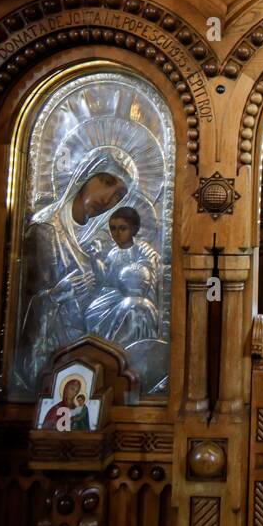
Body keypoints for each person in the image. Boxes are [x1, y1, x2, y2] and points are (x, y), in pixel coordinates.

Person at [13, 155, 129, 399]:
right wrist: (60, 293)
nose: (108, 199)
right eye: (106, 182)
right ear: (83, 175)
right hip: (53, 352)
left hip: (86, 350)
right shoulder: (46, 229)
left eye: (119, 195)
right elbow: (23, 304)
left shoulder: (93, 239)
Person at [84, 206, 162, 386]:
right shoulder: (113, 252)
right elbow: (107, 281)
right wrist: (95, 260)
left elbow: (148, 276)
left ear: (134, 229)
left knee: (129, 308)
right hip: (113, 295)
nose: (116, 233)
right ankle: (106, 353)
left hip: (134, 296)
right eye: (112, 228)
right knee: (91, 312)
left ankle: (120, 353)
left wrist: (133, 277)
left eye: (122, 228)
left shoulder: (142, 250)